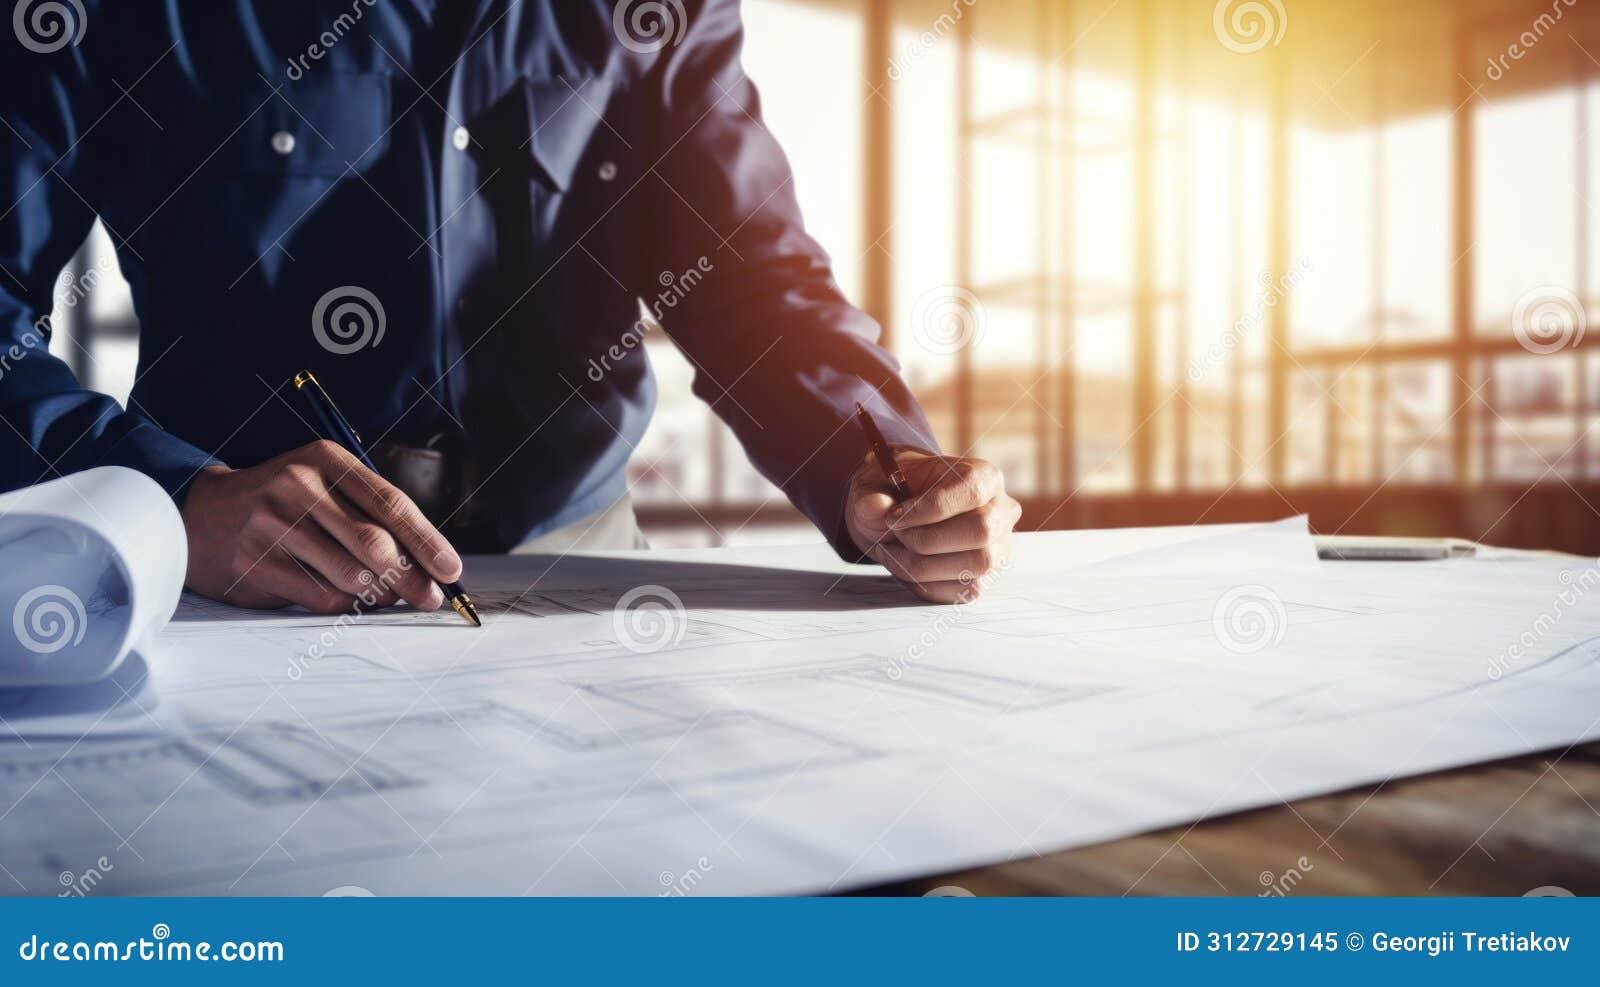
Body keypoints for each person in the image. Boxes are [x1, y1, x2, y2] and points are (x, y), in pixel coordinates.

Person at [0, 0, 1019, 614]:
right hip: (230, 582)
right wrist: (174, 499)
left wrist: (878, 459)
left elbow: (747, 278)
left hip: (575, 573)